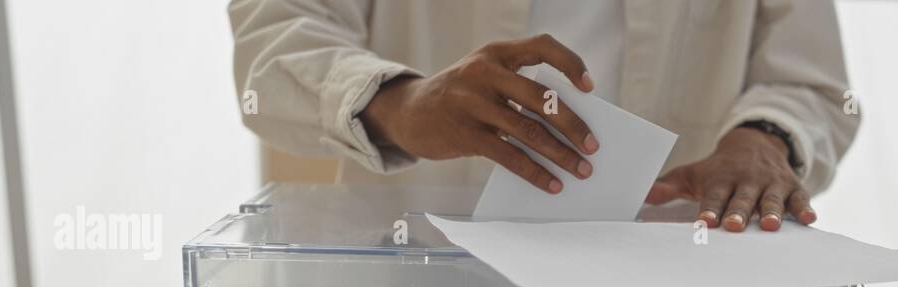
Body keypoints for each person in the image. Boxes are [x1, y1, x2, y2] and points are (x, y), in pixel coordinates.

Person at [229, 0, 858, 232]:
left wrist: (765, 135)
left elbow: (813, 83)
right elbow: (276, 32)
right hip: (423, 283)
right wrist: (399, 102)